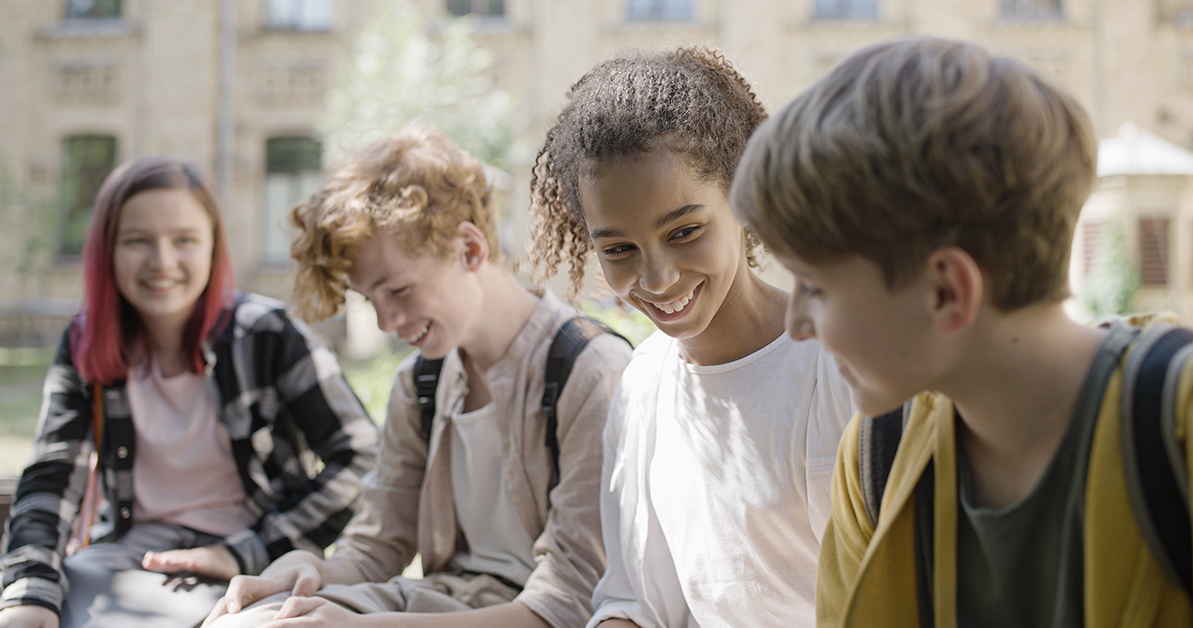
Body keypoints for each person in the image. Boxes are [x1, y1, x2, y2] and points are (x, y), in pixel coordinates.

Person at [731, 37, 1193, 627]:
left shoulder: (1173, 429)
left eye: (816, 287)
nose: (795, 324)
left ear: (947, 291)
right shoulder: (876, 457)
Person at [203, 125, 633, 628]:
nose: (387, 322)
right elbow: (375, 546)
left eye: (400, 291)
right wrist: (309, 569)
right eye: (371, 300)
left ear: (469, 249)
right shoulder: (421, 384)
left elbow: (565, 604)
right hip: (439, 604)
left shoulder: (589, 372)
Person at [526, 47, 854, 628]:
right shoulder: (644, 385)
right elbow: (633, 600)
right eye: (618, 249)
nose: (658, 278)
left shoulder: (840, 368)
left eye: (685, 231)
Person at [0, 156, 379, 628]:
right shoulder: (84, 343)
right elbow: (50, 478)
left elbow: (364, 457)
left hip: (253, 570)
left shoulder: (268, 334)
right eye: (137, 241)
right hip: (124, 562)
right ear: (106, 250)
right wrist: (28, 591)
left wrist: (244, 551)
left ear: (214, 247)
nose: (162, 262)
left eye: (185, 240)